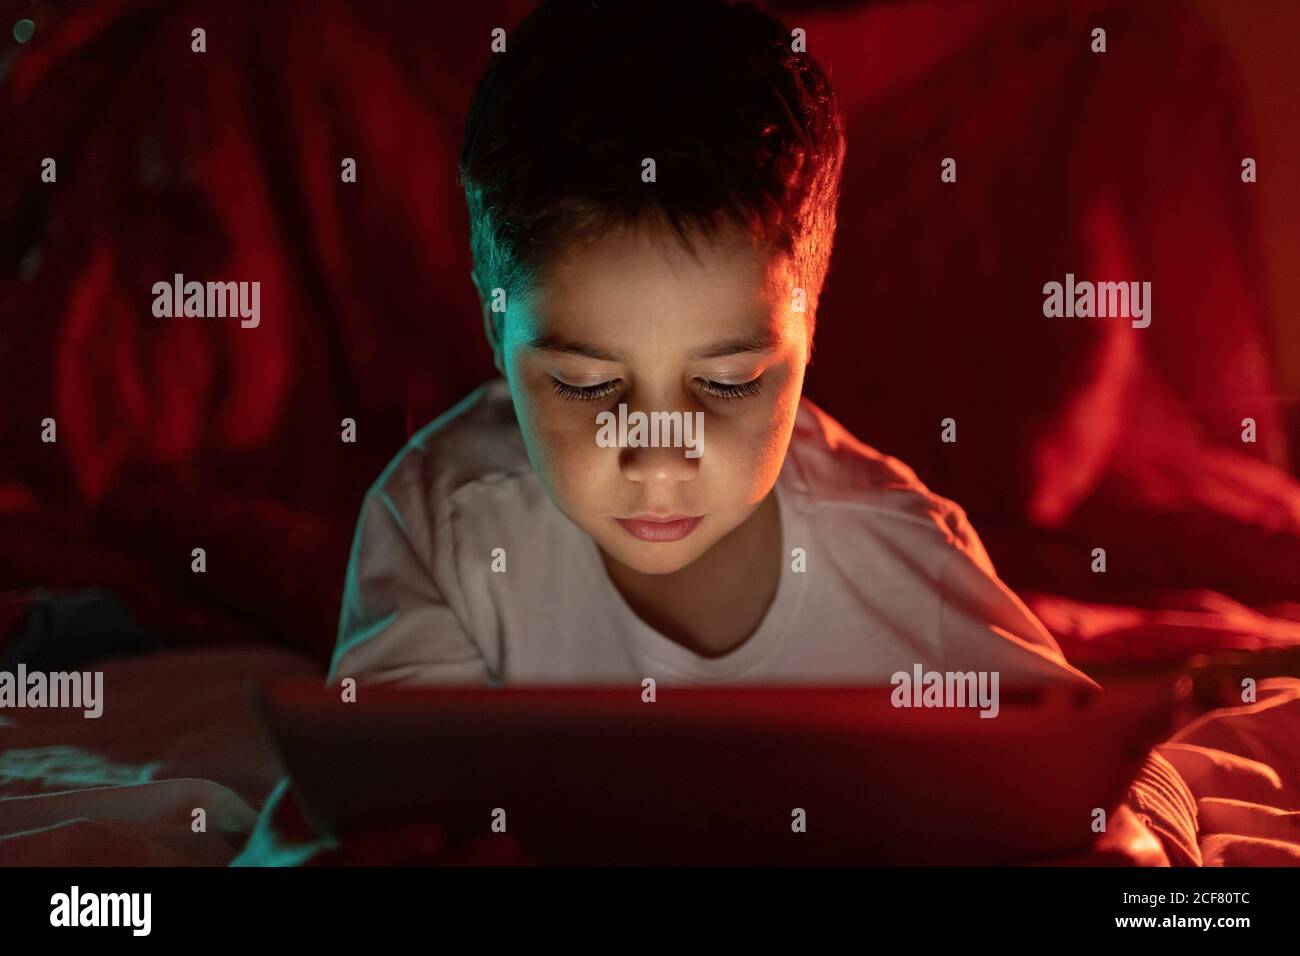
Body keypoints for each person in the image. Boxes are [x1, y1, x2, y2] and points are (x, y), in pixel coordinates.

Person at [234, 0, 1197, 866]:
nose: (659, 453)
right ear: (494, 328)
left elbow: (1103, 791)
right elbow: (374, 816)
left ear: (810, 325)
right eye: (586, 383)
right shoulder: (439, 526)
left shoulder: (898, 551)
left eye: (729, 383)